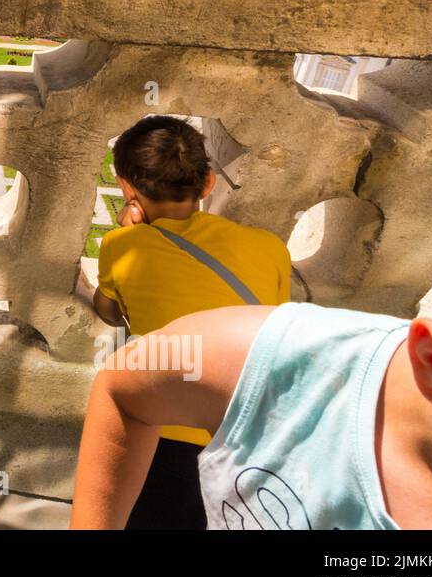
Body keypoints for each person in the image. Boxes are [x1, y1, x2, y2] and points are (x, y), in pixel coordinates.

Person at [71, 222, 432, 530]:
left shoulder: (122, 244)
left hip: (190, 421)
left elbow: (112, 317)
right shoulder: (267, 249)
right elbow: (269, 305)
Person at [91, 115, 292, 528]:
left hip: (167, 429)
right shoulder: (270, 248)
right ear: (208, 184)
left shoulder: (122, 246)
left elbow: (108, 310)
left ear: (127, 188)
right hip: (245, 430)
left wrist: (128, 234)